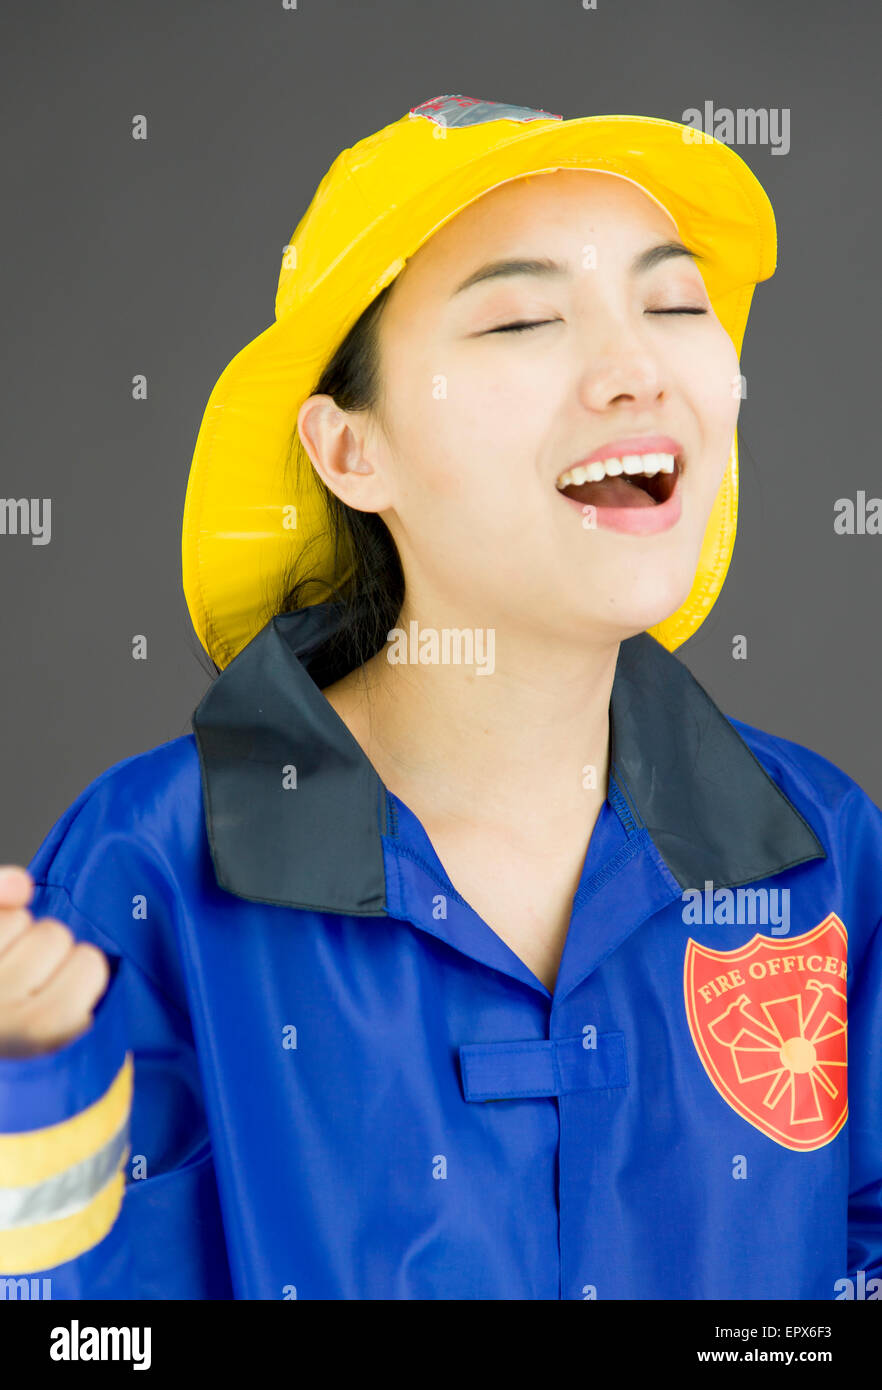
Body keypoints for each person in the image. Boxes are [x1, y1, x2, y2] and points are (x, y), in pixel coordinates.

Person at [0, 95, 879, 1301]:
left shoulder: (820, 851)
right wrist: (28, 1089)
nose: (637, 369)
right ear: (354, 452)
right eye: (522, 320)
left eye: (675, 304)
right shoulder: (151, 867)